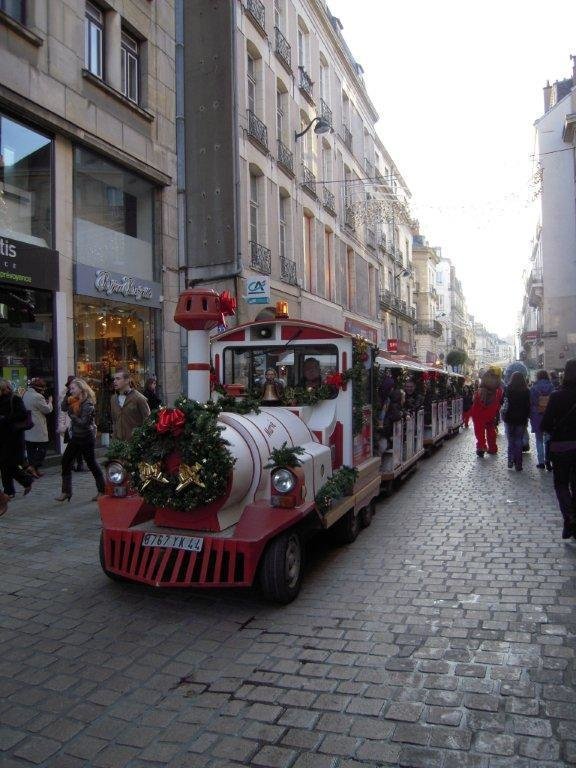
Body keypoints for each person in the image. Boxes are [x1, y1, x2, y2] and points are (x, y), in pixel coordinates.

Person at [541, 358, 576, 539]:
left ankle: (569, 517)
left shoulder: (556, 396)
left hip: (561, 446)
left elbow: (545, 424)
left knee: (561, 484)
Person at [56, 378, 105, 502]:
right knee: (66, 461)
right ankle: (66, 491)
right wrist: (67, 395)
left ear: (81, 389)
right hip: (76, 437)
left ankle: (102, 490)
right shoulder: (74, 400)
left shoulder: (88, 404)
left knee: (91, 463)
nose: (71, 391)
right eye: (70, 389)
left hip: (86, 437)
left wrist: (72, 416)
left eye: (73, 388)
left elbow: (84, 422)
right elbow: (63, 407)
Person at [0, 379, 34, 501]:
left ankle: (26, 481)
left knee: (9, 464)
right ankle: (9, 490)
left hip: (14, 437)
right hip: (2, 437)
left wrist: (6, 418)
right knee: (4, 465)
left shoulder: (15, 399)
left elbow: (23, 414)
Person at [22, 377, 53, 477]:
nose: (44, 390)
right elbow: (47, 410)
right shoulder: (38, 397)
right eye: (43, 388)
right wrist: (50, 402)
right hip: (37, 426)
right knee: (42, 448)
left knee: (31, 449)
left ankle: (34, 469)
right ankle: (33, 467)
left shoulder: (26, 394)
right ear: (39, 388)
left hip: (28, 425)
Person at [110, 370, 151, 441]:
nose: (114, 381)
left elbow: (147, 419)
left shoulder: (138, 398)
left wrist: (141, 437)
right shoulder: (113, 399)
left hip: (134, 442)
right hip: (118, 443)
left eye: (118, 379)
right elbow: (114, 420)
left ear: (127, 381)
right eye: (114, 379)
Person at [471, 369, 503, 457]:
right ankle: (492, 447)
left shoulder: (480, 391)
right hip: (491, 412)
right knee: (491, 429)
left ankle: (481, 447)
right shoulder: (498, 391)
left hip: (478, 413)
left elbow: (475, 400)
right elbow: (499, 401)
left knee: (479, 431)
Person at [502, 371, 531, 471]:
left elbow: (503, 402)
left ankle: (510, 460)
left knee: (511, 441)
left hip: (509, 418)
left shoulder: (507, 388)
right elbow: (528, 405)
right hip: (521, 419)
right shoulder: (526, 390)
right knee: (518, 440)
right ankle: (519, 464)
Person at [58, 376, 85, 471]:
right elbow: (63, 410)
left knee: (77, 445)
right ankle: (72, 464)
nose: (73, 389)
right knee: (73, 445)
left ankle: (78, 464)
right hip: (71, 425)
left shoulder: (82, 396)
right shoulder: (66, 396)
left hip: (78, 424)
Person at [530, 370, 554, 469]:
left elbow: (531, 402)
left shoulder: (534, 388)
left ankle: (541, 462)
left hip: (537, 414)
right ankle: (548, 460)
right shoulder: (551, 387)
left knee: (539, 439)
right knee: (548, 439)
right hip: (549, 414)